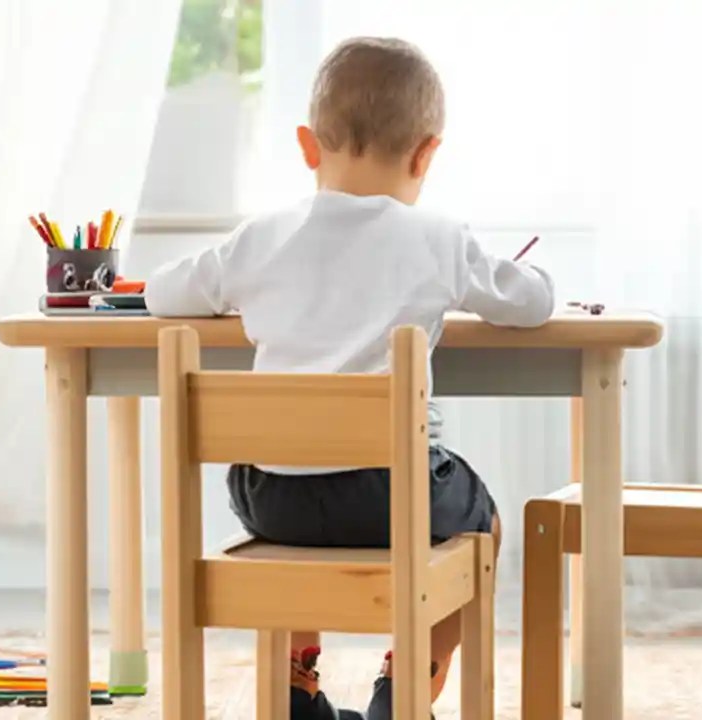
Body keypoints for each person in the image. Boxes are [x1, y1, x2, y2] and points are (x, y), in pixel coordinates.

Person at [145, 35, 555, 719]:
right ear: (427, 154)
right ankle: (408, 683)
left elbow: (162, 294)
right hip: (393, 499)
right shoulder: (439, 240)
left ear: (309, 145)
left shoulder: (260, 238)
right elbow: (533, 303)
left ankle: (297, 685)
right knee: (485, 519)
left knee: (295, 506)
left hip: (271, 497)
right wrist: (530, 274)